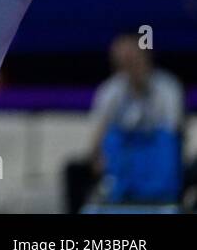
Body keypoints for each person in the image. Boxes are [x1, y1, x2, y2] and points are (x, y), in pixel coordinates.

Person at [65, 33, 185, 211]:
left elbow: (175, 135)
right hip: (120, 163)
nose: (130, 65)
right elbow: (98, 134)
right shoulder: (110, 91)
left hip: (158, 164)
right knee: (74, 169)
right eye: (124, 60)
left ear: (146, 56)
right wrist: (96, 157)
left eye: (134, 58)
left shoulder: (168, 88)